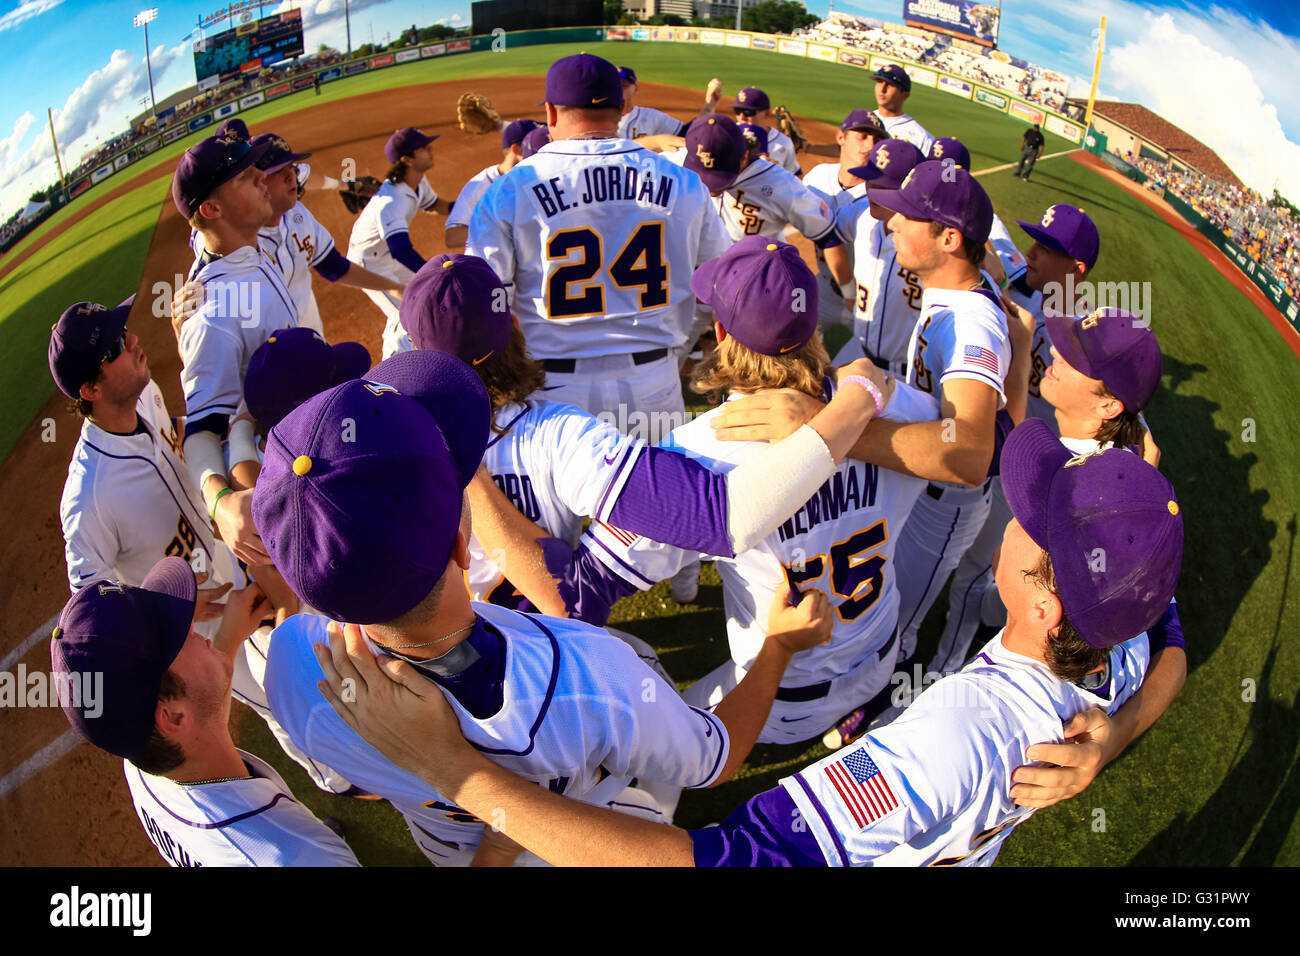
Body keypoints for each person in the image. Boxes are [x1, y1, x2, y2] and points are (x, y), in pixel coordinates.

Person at [315, 420, 1185, 867]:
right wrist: (1121, 734)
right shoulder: (1126, 640)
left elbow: (710, 860)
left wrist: (456, 774)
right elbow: (1166, 637)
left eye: (1034, 525)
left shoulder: (955, 728)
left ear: (1051, 607)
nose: (1015, 518)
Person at [253, 349, 844, 865]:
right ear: (464, 543)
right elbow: (715, 758)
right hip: (601, 846)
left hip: (450, 848)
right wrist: (778, 646)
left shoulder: (287, 664)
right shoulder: (591, 671)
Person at [586, 237, 939, 745]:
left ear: (721, 332)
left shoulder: (695, 450)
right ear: (812, 326)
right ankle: (861, 710)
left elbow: (588, 586)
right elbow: (980, 452)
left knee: (642, 735)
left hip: (781, 695)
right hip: (880, 654)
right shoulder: (898, 404)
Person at [710, 161, 1011, 745]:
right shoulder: (961, 287)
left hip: (947, 501)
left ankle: (889, 717)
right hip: (918, 478)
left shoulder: (973, 322)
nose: (893, 221)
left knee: (904, 620)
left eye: (911, 216)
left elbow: (972, 453)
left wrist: (832, 431)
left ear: (950, 239)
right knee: (880, 590)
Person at [466, 53, 730, 421]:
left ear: (550, 112)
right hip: (654, 385)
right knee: (658, 479)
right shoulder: (686, 182)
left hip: (555, 394)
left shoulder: (507, 191)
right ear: (622, 107)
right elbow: (726, 282)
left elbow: (486, 302)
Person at [50, 557, 358, 867]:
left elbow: (192, 706)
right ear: (172, 718)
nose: (193, 629)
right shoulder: (300, 857)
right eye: (178, 639)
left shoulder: (144, 757)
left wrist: (230, 636)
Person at [171, 133, 297, 569]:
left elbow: (202, 240)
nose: (264, 178)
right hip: (276, 483)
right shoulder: (214, 316)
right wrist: (221, 502)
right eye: (247, 176)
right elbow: (203, 429)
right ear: (212, 209)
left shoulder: (242, 243)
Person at [186, 132, 405, 337]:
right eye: (278, 171)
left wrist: (394, 286)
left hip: (312, 338)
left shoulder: (297, 214)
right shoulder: (238, 240)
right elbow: (206, 250)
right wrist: (186, 312)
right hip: (271, 357)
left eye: (292, 168)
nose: (291, 176)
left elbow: (334, 267)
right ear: (259, 180)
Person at [345, 126, 452, 358]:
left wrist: (467, 210)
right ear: (407, 159)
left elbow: (435, 206)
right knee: (404, 315)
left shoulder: (418, 183)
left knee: (422, 300)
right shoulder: (392, 201)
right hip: (368, 264)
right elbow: (401, 250)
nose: (430, 149)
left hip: (388, 255)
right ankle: (389, 373)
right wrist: (434, 273)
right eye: (423, 148)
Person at [826, 139, 927, 374]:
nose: (872, 190)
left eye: (884, 185)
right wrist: (848, 290)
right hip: (856, 352)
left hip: (905, 372)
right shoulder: (861, 213)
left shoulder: (930, 242)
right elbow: (825, 229)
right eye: (870, 180)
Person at [803, 110, 893, 328]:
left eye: (877, 139)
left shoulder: (880, 195)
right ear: (840, 137)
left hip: (866, 300)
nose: (871, 144)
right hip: (824, 289)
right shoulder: (818, 176)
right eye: (862, 136)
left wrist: (852, 298)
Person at [929, 136, 1024, 287]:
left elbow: (1011, 277)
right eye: (930, 168)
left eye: (945, 174)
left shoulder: (984, 220)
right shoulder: (915, 207)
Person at [443, 119, 543, 251]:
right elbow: (453, 236)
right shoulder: (481, 185)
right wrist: (507, 231)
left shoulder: (542, 176)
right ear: (517, 149)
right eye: (535, 145)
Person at [729, 86, 802, 176]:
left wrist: (778, 171)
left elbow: (795, 177)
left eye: (748, 112)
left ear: (766, 114)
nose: (741, 117)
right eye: (737, 110)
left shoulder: (783, 142)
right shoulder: (728, 135)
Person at [871, 65, 934, 153]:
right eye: (879, 81)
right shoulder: (862, 120)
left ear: (905, 95)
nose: (882, 89)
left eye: (889, 84)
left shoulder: (921, 137)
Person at [616, 65, 688, 140]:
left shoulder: (652, 117)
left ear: (635, 88)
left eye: (624, 86)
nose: (619, 90)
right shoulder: (603, 121)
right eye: (614, 86)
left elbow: (686, 133)